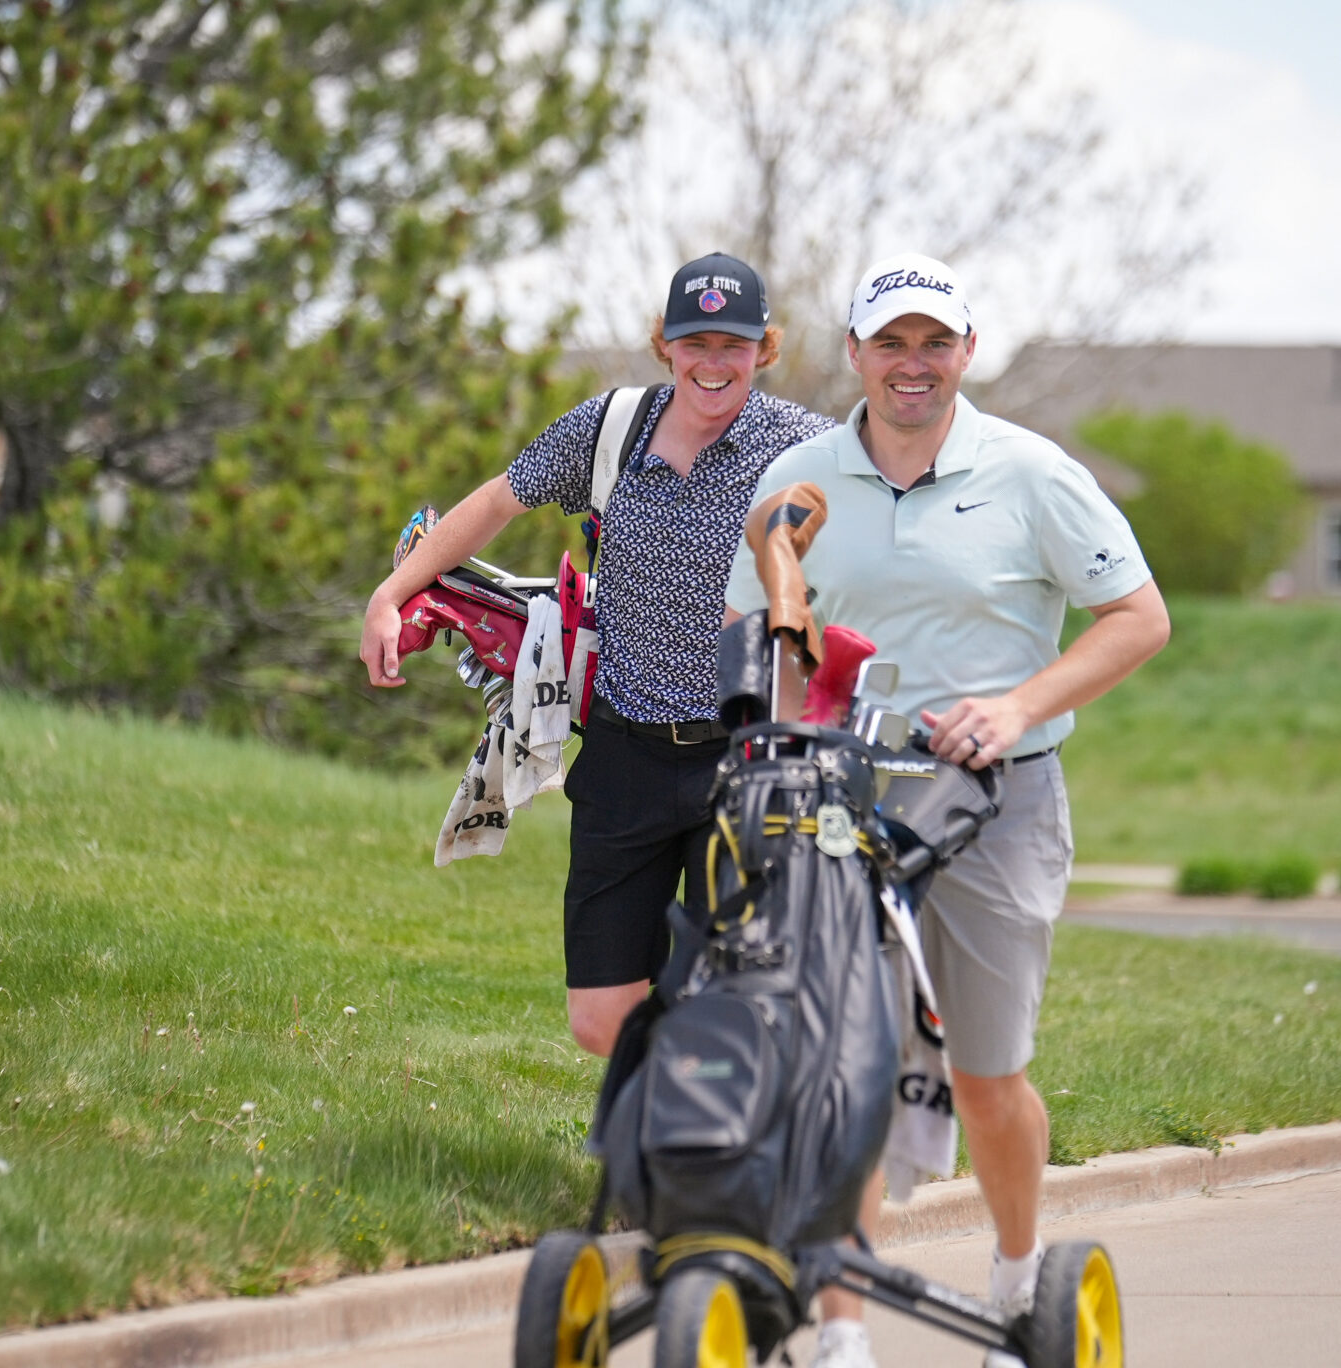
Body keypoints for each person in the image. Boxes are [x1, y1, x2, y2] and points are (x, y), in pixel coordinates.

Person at [724, 253, 1170, 1368]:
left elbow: (1136, 618)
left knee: (984, 1071)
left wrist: (1018, 704)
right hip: (839, 798)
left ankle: (1020, 1278)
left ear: (965, 352)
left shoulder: (1031, 474)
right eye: (891, 343)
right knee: (843, 1060)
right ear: (856, 354)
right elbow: (762, 639)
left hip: (995, 802)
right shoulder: (798, 478)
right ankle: (837, 1334)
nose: (912, 365)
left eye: (934, 343)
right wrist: (784, 734)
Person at [360, 253, 834, 1058]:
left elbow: (883, 550)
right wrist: (391, 592)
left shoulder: (805, 447)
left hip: (748, 758)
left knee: (740, 999)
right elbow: (497, 499)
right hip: (624, 754)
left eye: (734, 346)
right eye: (695, 344)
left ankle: (702, 1158)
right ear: (666, 345)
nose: (713, 365)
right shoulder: (613, 427)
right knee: (600, 1019)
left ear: (764, 349)